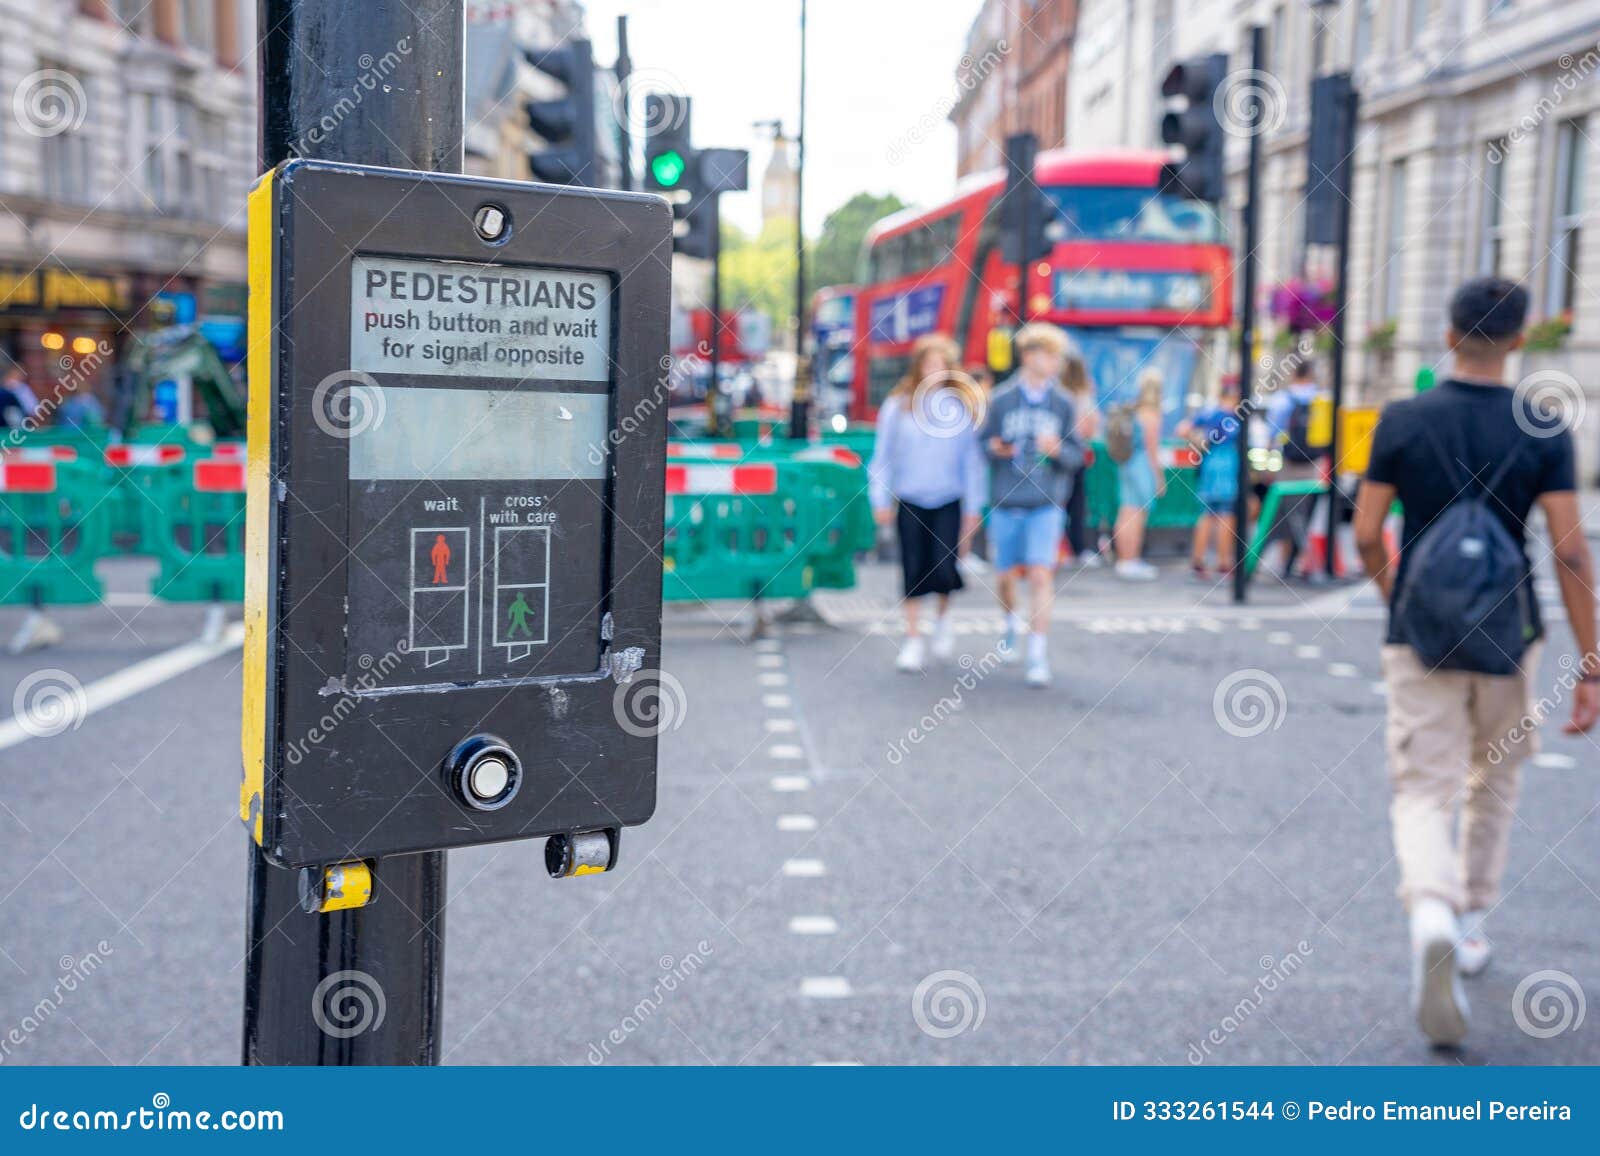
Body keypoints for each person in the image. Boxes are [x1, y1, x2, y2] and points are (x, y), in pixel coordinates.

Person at [1353, 277, 1599, 1048]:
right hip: (1506, 629)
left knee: (1421, 785)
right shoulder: (1544, 426)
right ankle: (1471, 921)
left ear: (1449, 335)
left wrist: (1398, 597)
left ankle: (1429, 906)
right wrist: (1590, 662)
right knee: (1493, 777)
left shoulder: (1403, 418)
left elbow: (1365, 531)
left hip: (1420, 632)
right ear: (1520, 340)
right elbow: (1569, 547)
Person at [868, 334, 987, 673]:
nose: (934, 369)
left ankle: (943, 619)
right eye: (928, 363)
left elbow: (972, 461)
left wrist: (973, 509)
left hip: (949, 498)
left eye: (941, 364)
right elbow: (883, 456)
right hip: (910, 498)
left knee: (944, 565)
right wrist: (880, 496)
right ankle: (913, 638)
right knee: (912, 567)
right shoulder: (899, 405)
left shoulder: (961, 406)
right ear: (919, 366)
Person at [980, 322, 1085, 688]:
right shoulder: (1001, 399)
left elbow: (1078, 456)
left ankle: (1037, 652)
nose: (1056, 363)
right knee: (1006, 576)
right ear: (1029, 356)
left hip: (1046, 503)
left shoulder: (1064, 404)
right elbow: (982, 444)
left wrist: (1059, 451)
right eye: (1049, 354)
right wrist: (994, 448)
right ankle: (1011, 623)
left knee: (1041, 574)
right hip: (1007, 501)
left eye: (1058, 356)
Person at [1263, 354, 1328, 577]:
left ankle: (1284, 562)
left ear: (1293, 373)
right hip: (1313, 465)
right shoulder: (1321, 398)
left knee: (1284, 512)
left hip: (1288, 463)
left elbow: (1271, 434)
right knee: (1305, 513)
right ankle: (1299, 563)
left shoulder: (1282, 399)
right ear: (1310, 374)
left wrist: (1268, 465)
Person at [1177, 377, 1241, 580]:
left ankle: (1198, 561)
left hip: (1209, 464)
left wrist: (1198, 442)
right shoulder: (1234, 417)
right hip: (1227, 467)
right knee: (1226, 514)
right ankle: (1224, 562)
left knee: (1206, 514)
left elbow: (1182, 429)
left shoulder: (1209, 413)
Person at [1109, 368, 1165, 581]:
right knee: (1138, 515)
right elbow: (1152, 450)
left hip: (1127, 463)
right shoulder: (1152, 415)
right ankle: (1131, 559)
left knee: (1125, 512)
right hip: (1142, 465)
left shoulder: (1134, 410)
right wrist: (1158, 478)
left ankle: (1124, 560)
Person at [1060, 352, 1102, 567]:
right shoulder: (1083, 395)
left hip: (1057, 454)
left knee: (1058, 503)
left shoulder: (1058, 393)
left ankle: (1060, 550)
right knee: (1077, 505)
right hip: (1076, 454)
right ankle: (1077, 549)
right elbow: (1090, 426)